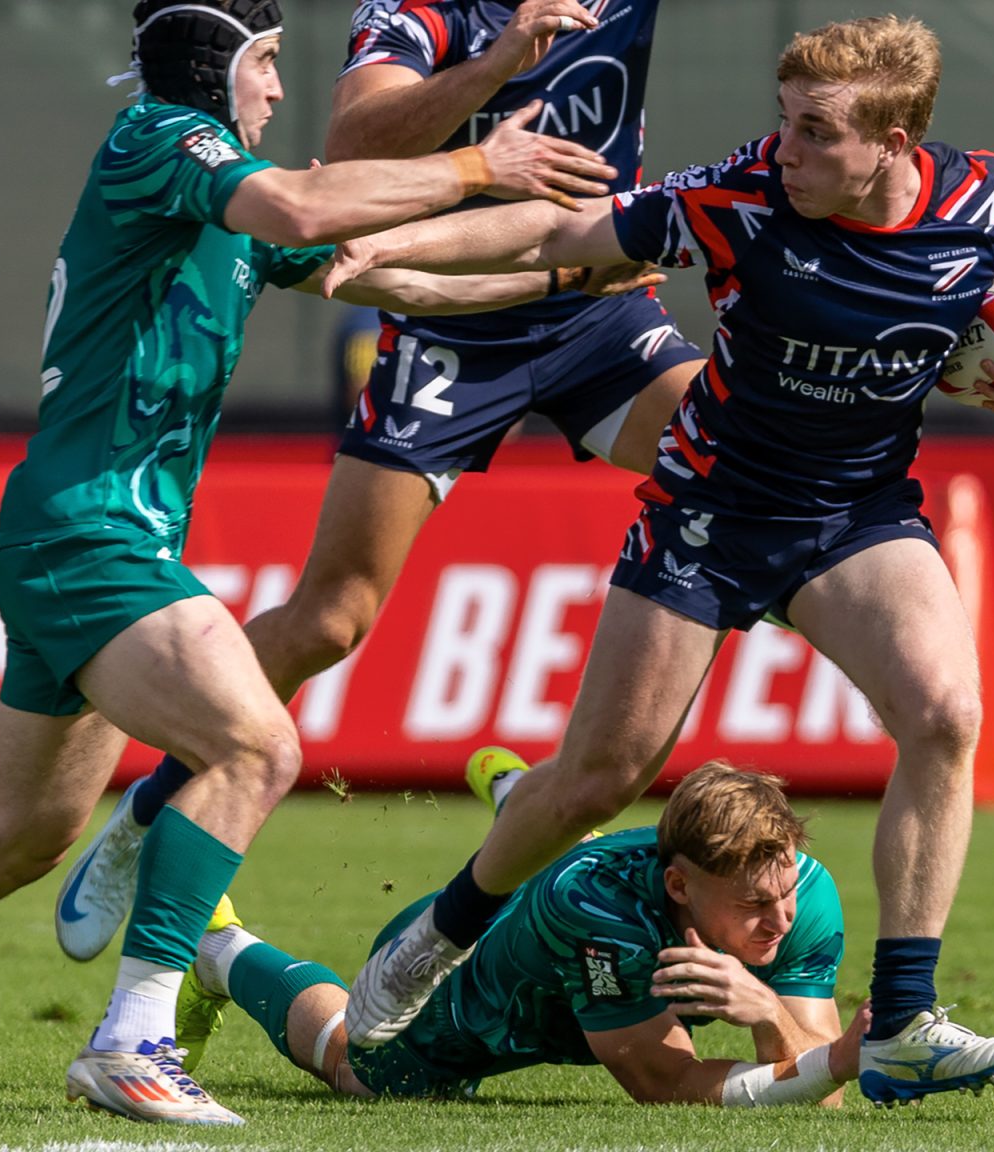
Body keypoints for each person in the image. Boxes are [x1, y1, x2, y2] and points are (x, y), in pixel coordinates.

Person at [0, 0, 625, 1126]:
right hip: (91, 534)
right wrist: (481, 164)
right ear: (216, 59)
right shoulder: (162, 139)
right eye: (268, 62)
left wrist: (570, 269)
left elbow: (397, 274)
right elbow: (306, 201)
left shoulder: (224, 196)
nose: (279, 88)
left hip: (74, 538)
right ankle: (133, 1038)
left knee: (25, 831)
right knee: (257, 746)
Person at [325, 16, 994, 1108]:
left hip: (854, 516)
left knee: (944, 716)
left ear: (892, 142)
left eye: (815, 133)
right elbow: (559, 229)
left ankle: (902, 1022)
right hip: (708, 514)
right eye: (784, 122)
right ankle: (436, 936)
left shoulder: (984, 199)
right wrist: (387, 247)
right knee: (597, 780)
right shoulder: (744, 198)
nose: (784, 149)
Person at [55, 0, 706, 970]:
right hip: (445, 321)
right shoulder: (424, 12)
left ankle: (592, 792)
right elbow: (354, 141)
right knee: (329, 620)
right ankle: (151, 807)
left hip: (595, 307)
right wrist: (495, 64)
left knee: (740, 464)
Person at [178, 760, 873, 1107]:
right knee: (352, 1067)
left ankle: (523, 796)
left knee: (573, 866)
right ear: (680, 886)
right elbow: (666, 1081)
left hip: (563, 902)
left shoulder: (803, 893)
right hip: (464, 990)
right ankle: (219, 950)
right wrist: (812, 1048)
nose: (780, 920)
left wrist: (769, 1011)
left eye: (785, 892)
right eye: (754, 905)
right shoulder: (602, 915)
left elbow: (825, 1091)